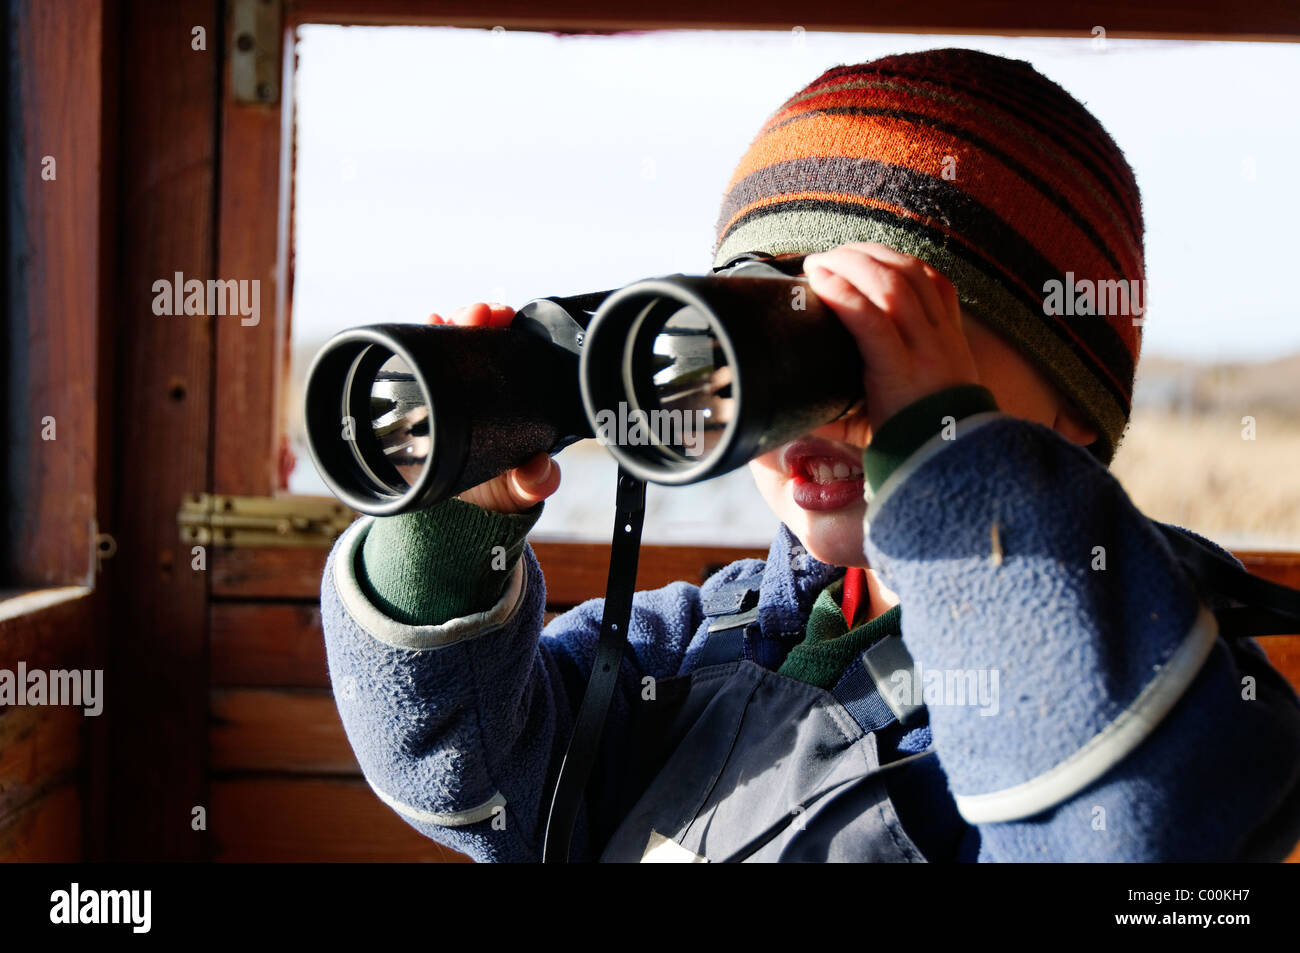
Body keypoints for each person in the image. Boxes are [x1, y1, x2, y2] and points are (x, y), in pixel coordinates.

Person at [320, 48, 1300, 861]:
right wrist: (450, 530)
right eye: (773, 341)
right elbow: (476, 779)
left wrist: (947, 477)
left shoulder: (1152, 657)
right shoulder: (699, 636)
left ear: (1074, 409)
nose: (820, 408)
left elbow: (1141, 829)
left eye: (881, 340)